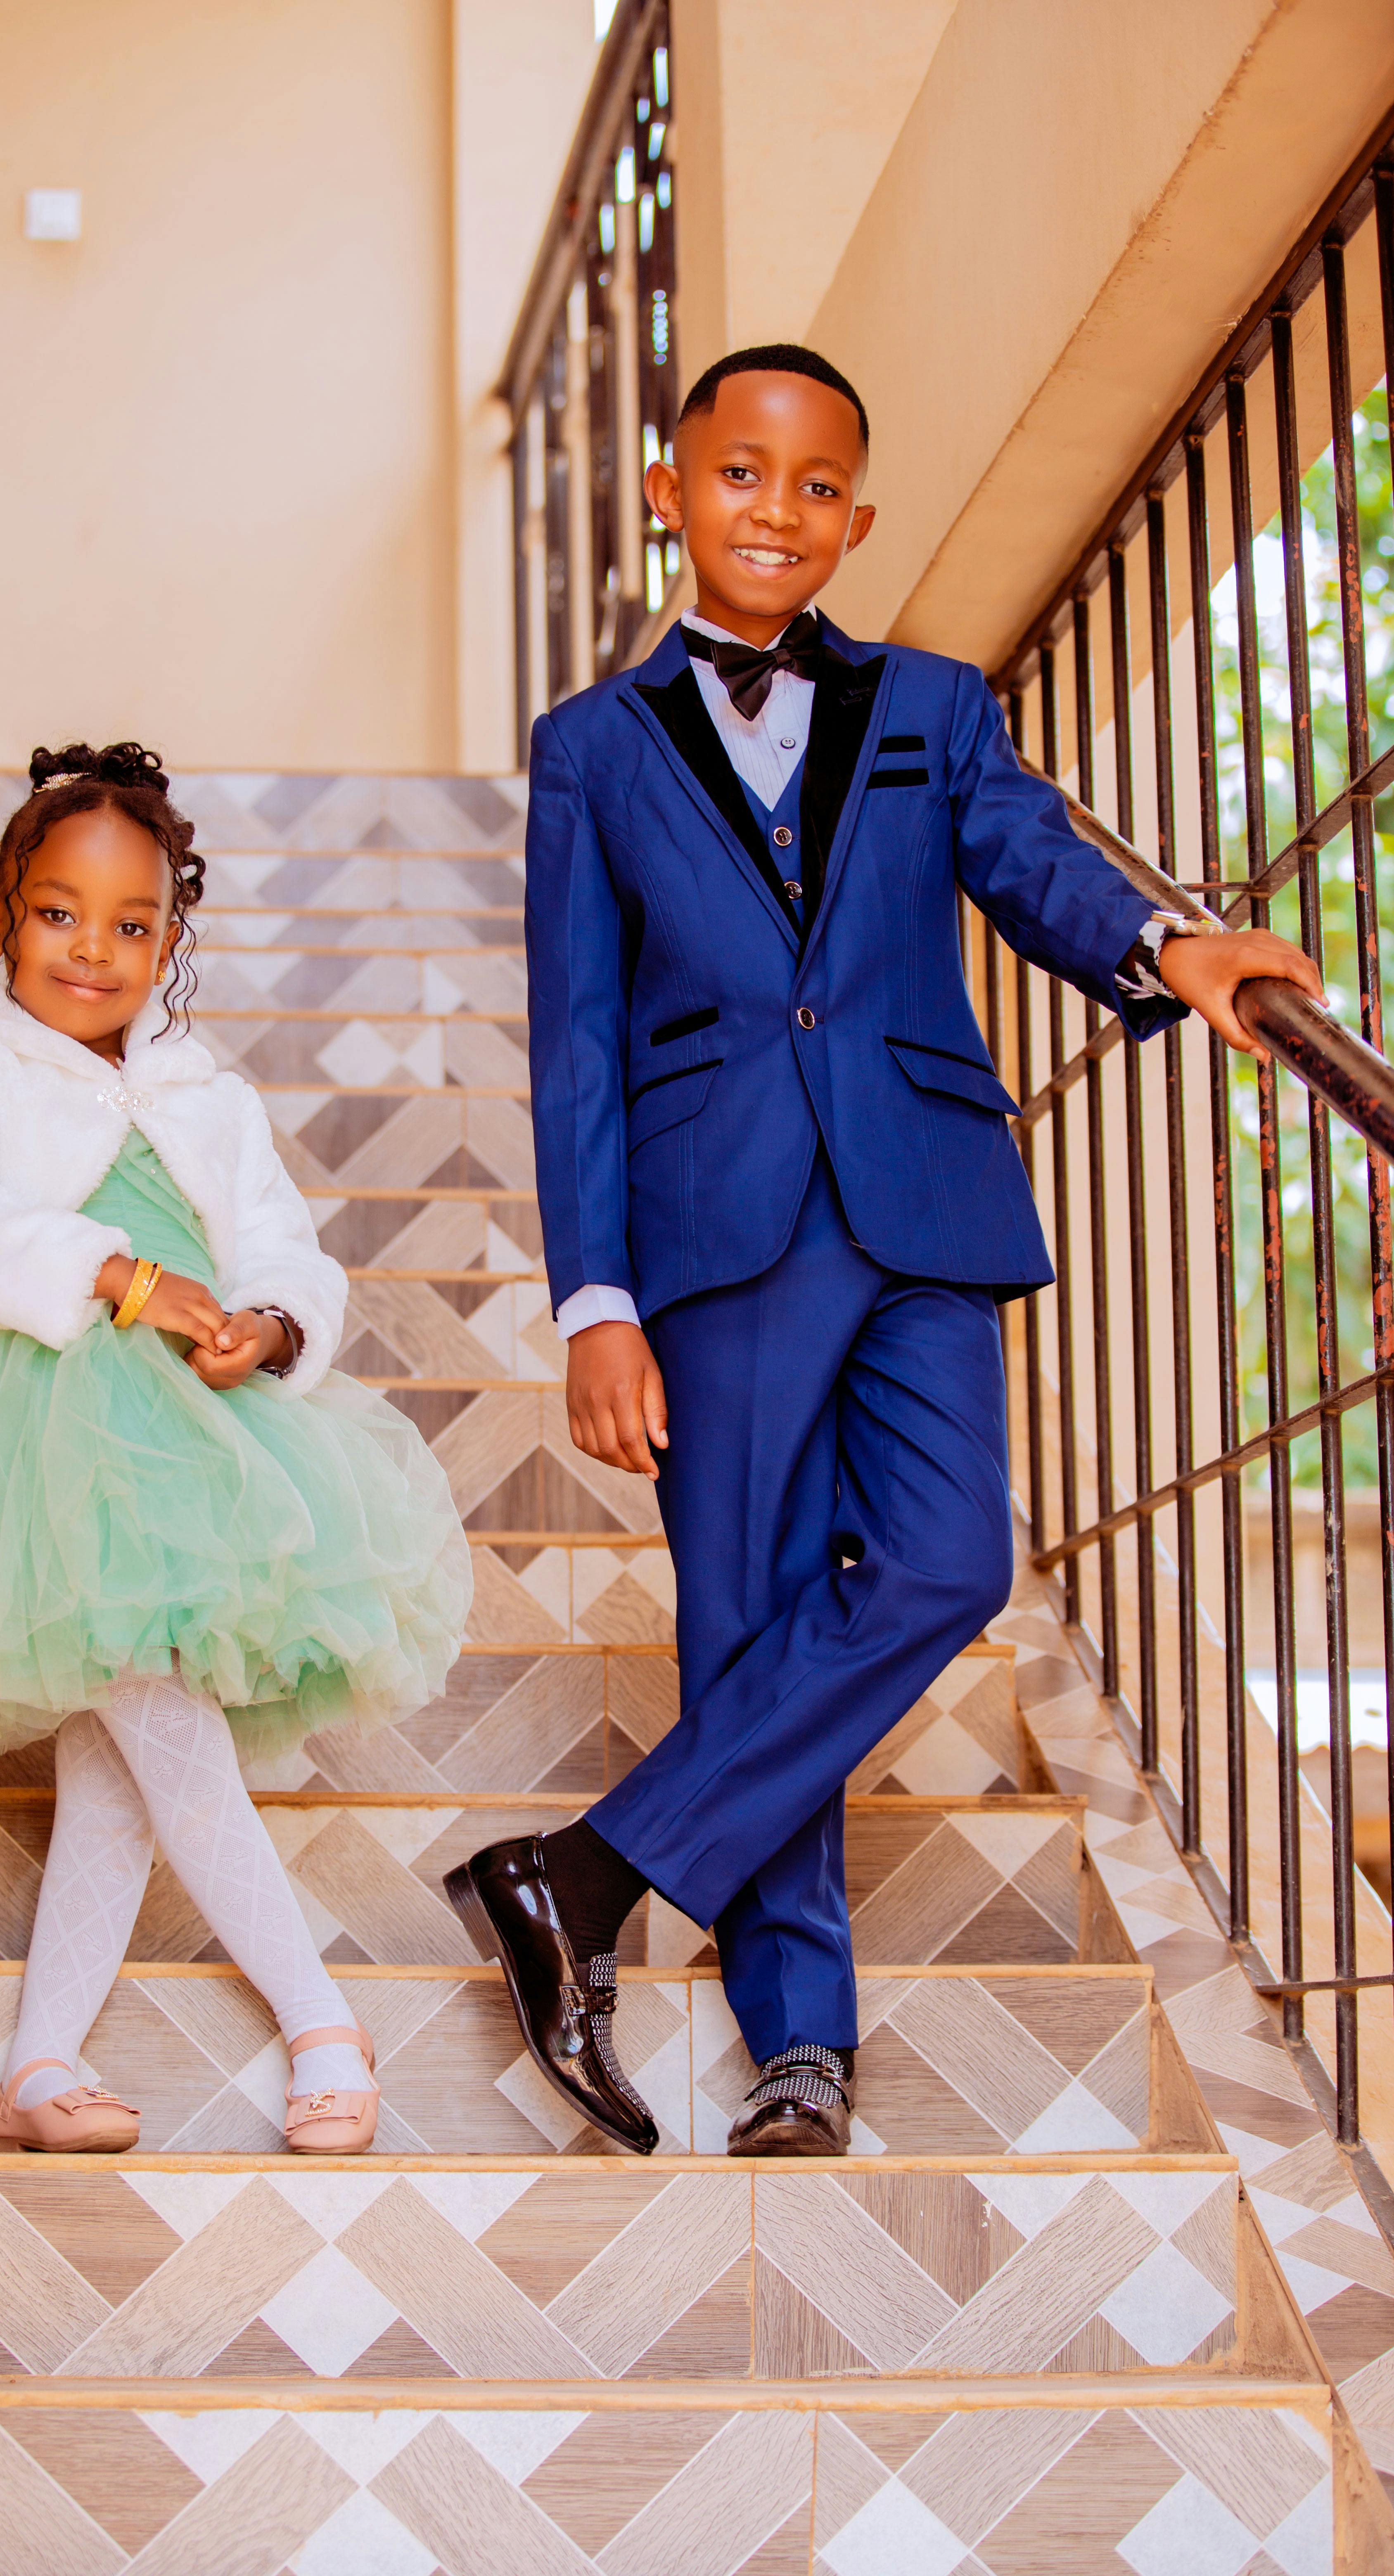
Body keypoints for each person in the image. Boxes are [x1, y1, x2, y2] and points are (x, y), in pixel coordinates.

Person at [445, 344, 1321, 2157]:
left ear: (858, 513)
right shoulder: (591, 750)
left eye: (816, 482)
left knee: (941, 1563)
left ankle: (583, 1881)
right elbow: (579, 1038)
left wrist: (1175, 949)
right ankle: (796, 2044)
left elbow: (1028, 861)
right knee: (752, 1610)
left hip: (920, 1196)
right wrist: (593, 1300)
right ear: (668, 494)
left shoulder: (934, 703)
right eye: (741, 475)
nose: (778, 509)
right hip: (712, 1225)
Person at [0, 741, 470, 2156]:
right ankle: (319, 2016)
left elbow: (284, 1247)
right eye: (58, 914)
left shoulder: (208, 1090)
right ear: (0, 920)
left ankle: (38, 2069)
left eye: (133, 926)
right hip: (44, 1433)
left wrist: (269, 1330)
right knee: (158, 1717)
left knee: (123, 1750)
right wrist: (123, 1280)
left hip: (192, 1438)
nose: (94, 951)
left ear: (171, 940)